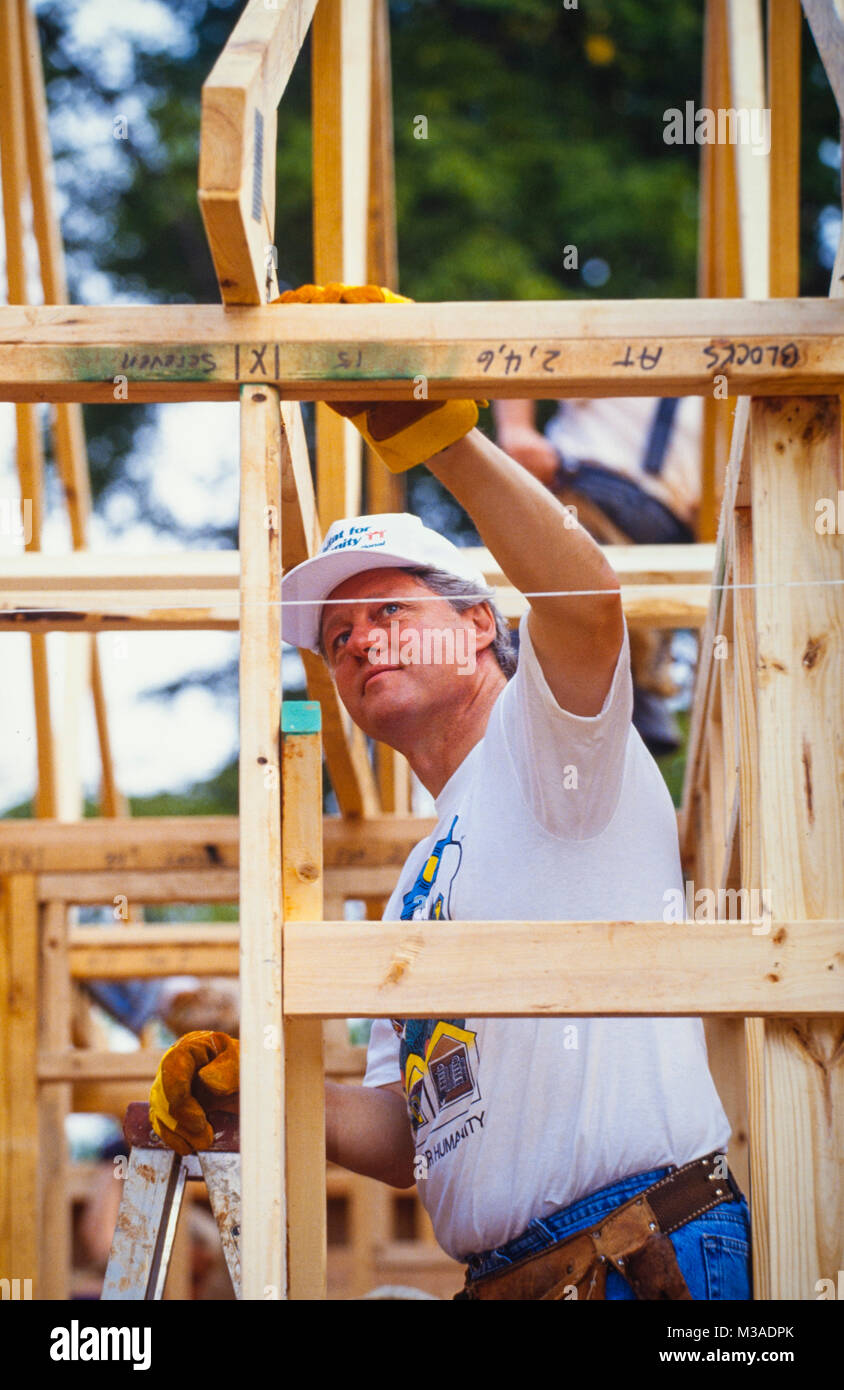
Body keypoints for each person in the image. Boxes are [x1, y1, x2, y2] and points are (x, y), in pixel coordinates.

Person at [149, 283, 750, 1301]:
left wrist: (441, 438)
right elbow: (404, 1129)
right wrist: (261, 1094)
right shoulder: (414, 887)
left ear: (479, 626)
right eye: (337, 641)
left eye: (387, 610)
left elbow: (587, 601)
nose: (356, 643)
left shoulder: (552, 744)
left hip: (645, 1252)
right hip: (519, 1276)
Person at [494, 395, 704, 757]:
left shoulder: (722, 389)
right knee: (561, 616)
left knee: (626, 645)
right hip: (590, 493)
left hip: (668, 530)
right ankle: (528, 699)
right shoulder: (635, 344)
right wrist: (517, 430)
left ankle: (632, 695)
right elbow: (522, 347)